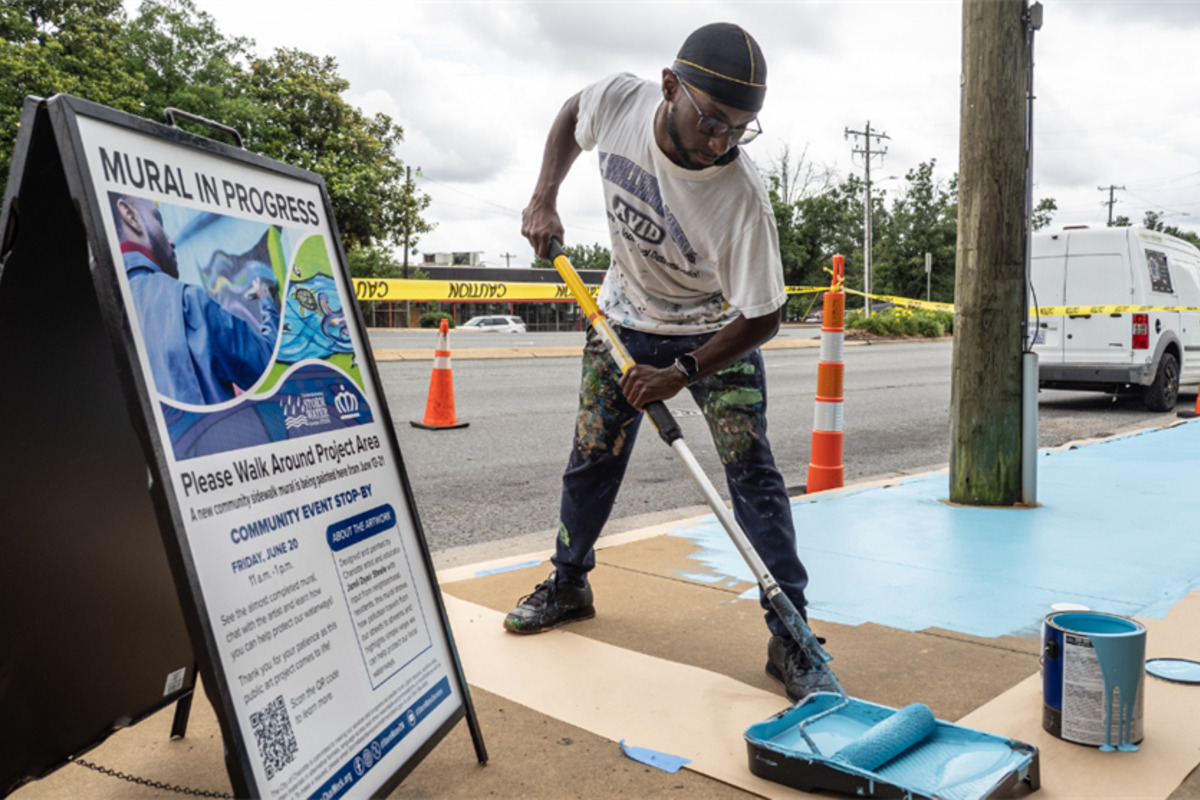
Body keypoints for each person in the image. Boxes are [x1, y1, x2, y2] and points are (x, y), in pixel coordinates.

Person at [508, 22, 834, 701]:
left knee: (752, 472)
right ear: (668, 88)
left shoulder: (740, 197)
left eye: (742, 129)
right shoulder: (621, 102)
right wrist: (544, 195)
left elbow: (764, 315)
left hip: (717, 331)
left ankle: (790, 631)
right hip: (621, 318)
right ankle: (569, 581)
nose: (722, 141)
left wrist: (682, 372)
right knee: (593, 455)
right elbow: (572, 113)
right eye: (712, 120)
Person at [112, 194, 279, 405]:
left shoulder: (110, 309)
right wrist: (266, 303)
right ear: (131, 216)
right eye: (158, 220)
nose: (171, 241)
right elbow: (269, 366)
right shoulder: (188, 303)